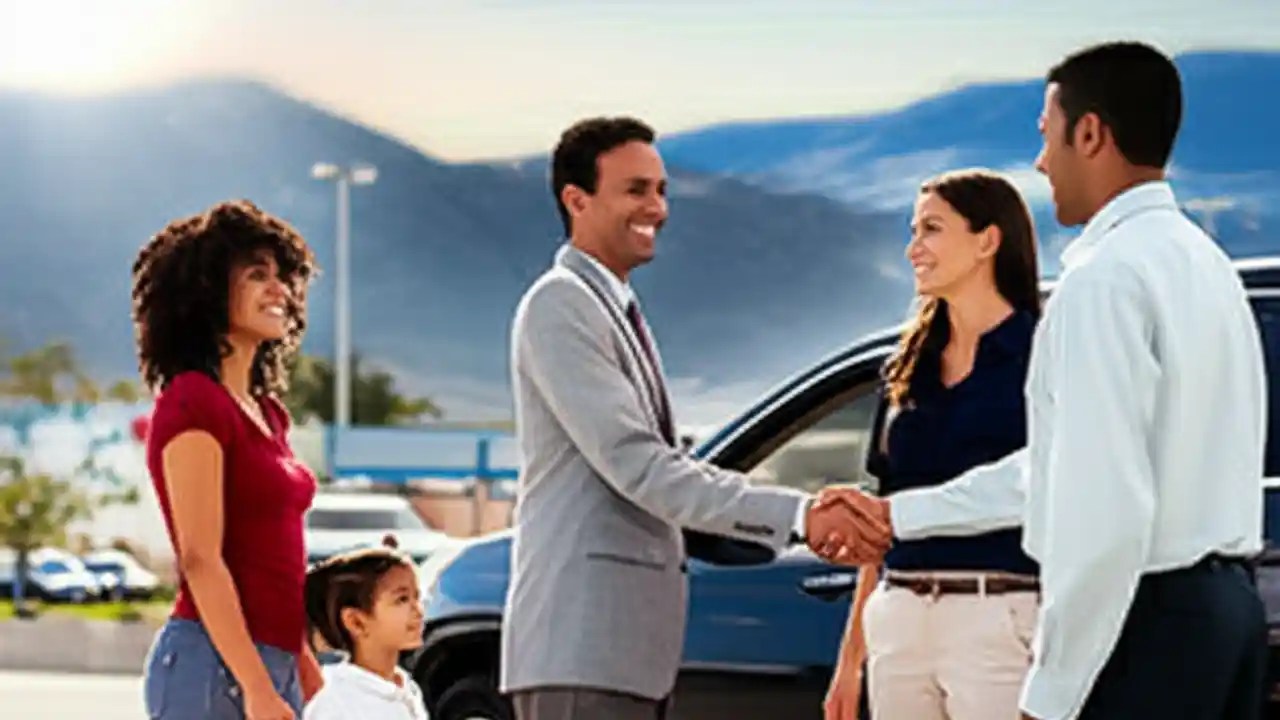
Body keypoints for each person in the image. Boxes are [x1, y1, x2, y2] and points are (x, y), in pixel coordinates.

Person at [824, 41, 1270, 720]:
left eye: (1046, 135)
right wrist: (900, 516)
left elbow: (1103, 508)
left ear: (1089, 133)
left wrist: (1050, 695)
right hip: (1228, 618)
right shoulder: (1205, 265)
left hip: (1147, 624)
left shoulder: (1104, 279)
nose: (1039, 163)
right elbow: (1058, 472)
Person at [501, 116, 882, 720]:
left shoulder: (613, 306)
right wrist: (801, 514)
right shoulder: (560, 305)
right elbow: (642, 468)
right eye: (636, 189)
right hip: (584, 647)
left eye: (661, 189)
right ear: (577, 200)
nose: (657, 206)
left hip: (626, 655)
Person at [823, 169, 1043, 720]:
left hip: (1001, 615)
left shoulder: (1043, 355)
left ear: (986, 241)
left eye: (931, 229)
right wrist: (851, 663)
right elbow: (881, 520)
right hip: (898, 620)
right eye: (912, 230)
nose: (913, 248)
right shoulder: (905, 368)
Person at [133, 200, 325, 719]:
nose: (278, 289)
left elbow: (272, 559)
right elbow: (200, 557)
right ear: (207, 292)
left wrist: (303, 668)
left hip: (272, 661)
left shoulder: (269, 415)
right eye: (257, 275)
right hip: (214, 663)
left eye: (283, 277)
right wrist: (256, 687)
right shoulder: (194, 400)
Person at [301, 537, 430, 720]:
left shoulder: (406, 688)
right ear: (356, 622)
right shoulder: (335, 702)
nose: (418, 610)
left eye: (417, 597)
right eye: (402, 599)